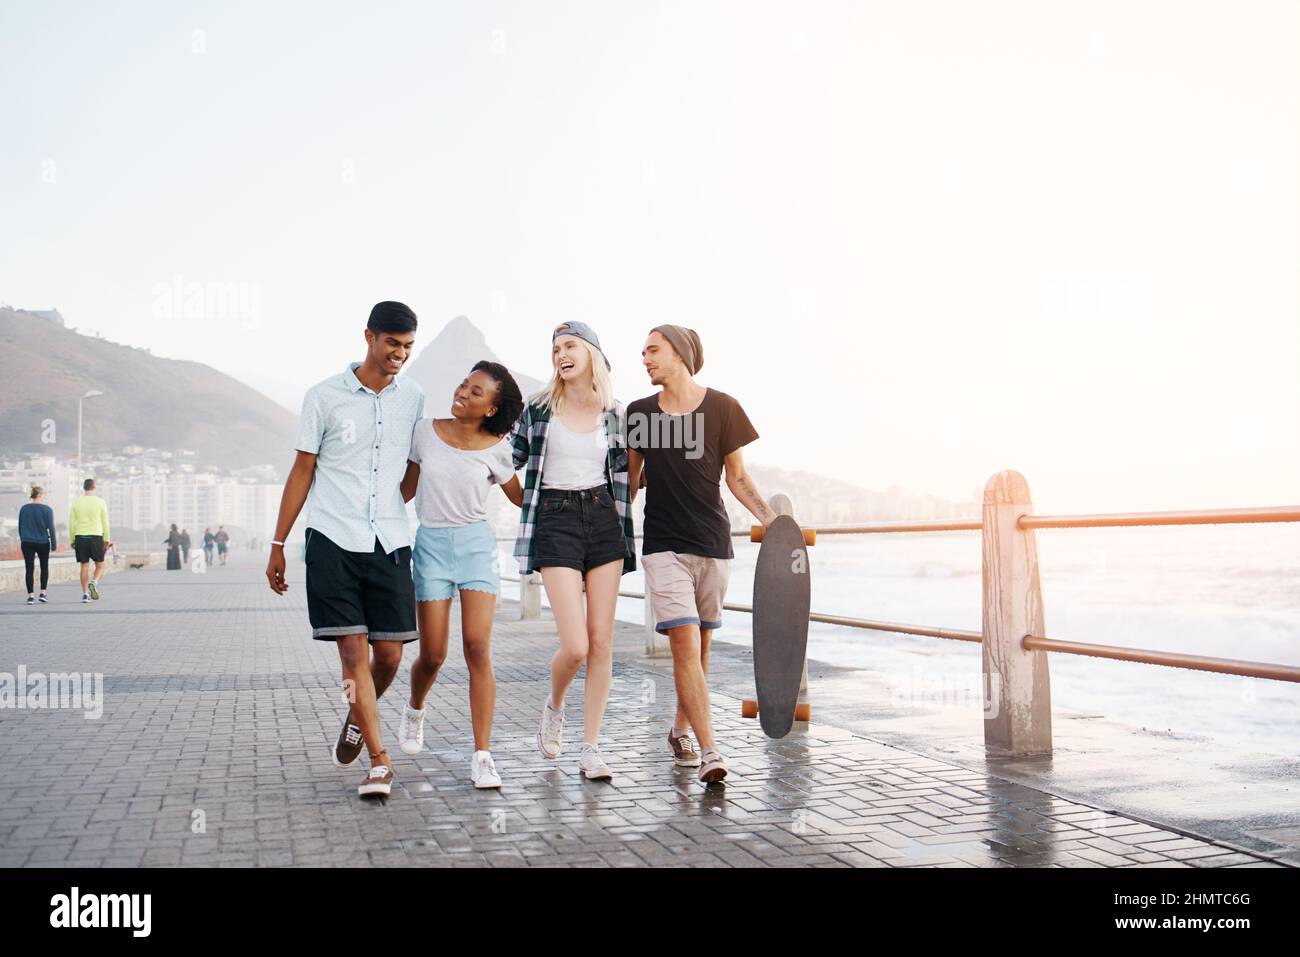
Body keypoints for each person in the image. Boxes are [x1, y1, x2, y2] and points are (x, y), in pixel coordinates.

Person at [265, 301, 424, 799]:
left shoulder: (413, 397)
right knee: (353, 650)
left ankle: (360, 715)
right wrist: (278, 543)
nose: (400, 354)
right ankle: (379, 760)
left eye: (408, 347)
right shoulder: (323, 396)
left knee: (391, 655)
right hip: (332, 539)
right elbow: (302, 470)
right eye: (392, 343)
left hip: (390, 541)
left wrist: (391, 505)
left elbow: (416, 465)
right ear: (369, 337)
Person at [626, 326, 775, 784]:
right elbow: (628, 483)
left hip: (712, 542)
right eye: (643, 353)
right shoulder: (639, 413)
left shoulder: (723, 408)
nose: (645, 359)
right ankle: (711, 751)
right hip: (663, 544)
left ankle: (681, 729)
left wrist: (772, 521)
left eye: (652, 351)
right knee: (686, 646)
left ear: (680, 354)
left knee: (701, 649)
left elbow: (737, 477)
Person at [510, 322, 634, 781]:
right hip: (556, 520)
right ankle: (554, 705)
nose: (561, 354)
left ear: (591, 353)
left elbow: (629, 476)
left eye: (570, 346)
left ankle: (591, 747)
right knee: (576, 645)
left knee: (602, 641)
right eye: (556, 348)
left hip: (603, 518)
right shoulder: (538, 409)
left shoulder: (616, 414)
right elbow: (508, 459)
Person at [397, 361, 525, 788]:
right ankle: (415, 707)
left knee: (476, 647)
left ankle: (482, 756)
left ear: (491, 409)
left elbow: (522, 498)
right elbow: (404, 491)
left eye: (475, 392)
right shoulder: (424, 432)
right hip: (431, 545)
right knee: (433, 654)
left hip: (476, 547)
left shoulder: (497, 447)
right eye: (463, 385)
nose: (462, 393)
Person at [69, 477, 112, 604]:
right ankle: (94, 582)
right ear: (94, 487)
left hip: (80, 536)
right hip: (96, 536)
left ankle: (85, 594)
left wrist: (72, 539)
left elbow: (72, 522)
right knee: (100, 565)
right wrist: (107, 538)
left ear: (84, 487)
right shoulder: (100, 502)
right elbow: (105, 521)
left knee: (84, 566)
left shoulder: (76, 502)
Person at [18, 485, 56, 604]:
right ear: (40, 495)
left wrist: (23, 538)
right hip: (43, 542)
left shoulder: (24, 509)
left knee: (29, 568)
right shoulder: (47, 509)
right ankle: (43, 593)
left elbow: (20, 526)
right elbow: (51, 528)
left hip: (27, 542)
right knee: (44, 567)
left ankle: (30, 596)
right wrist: (54, 544)